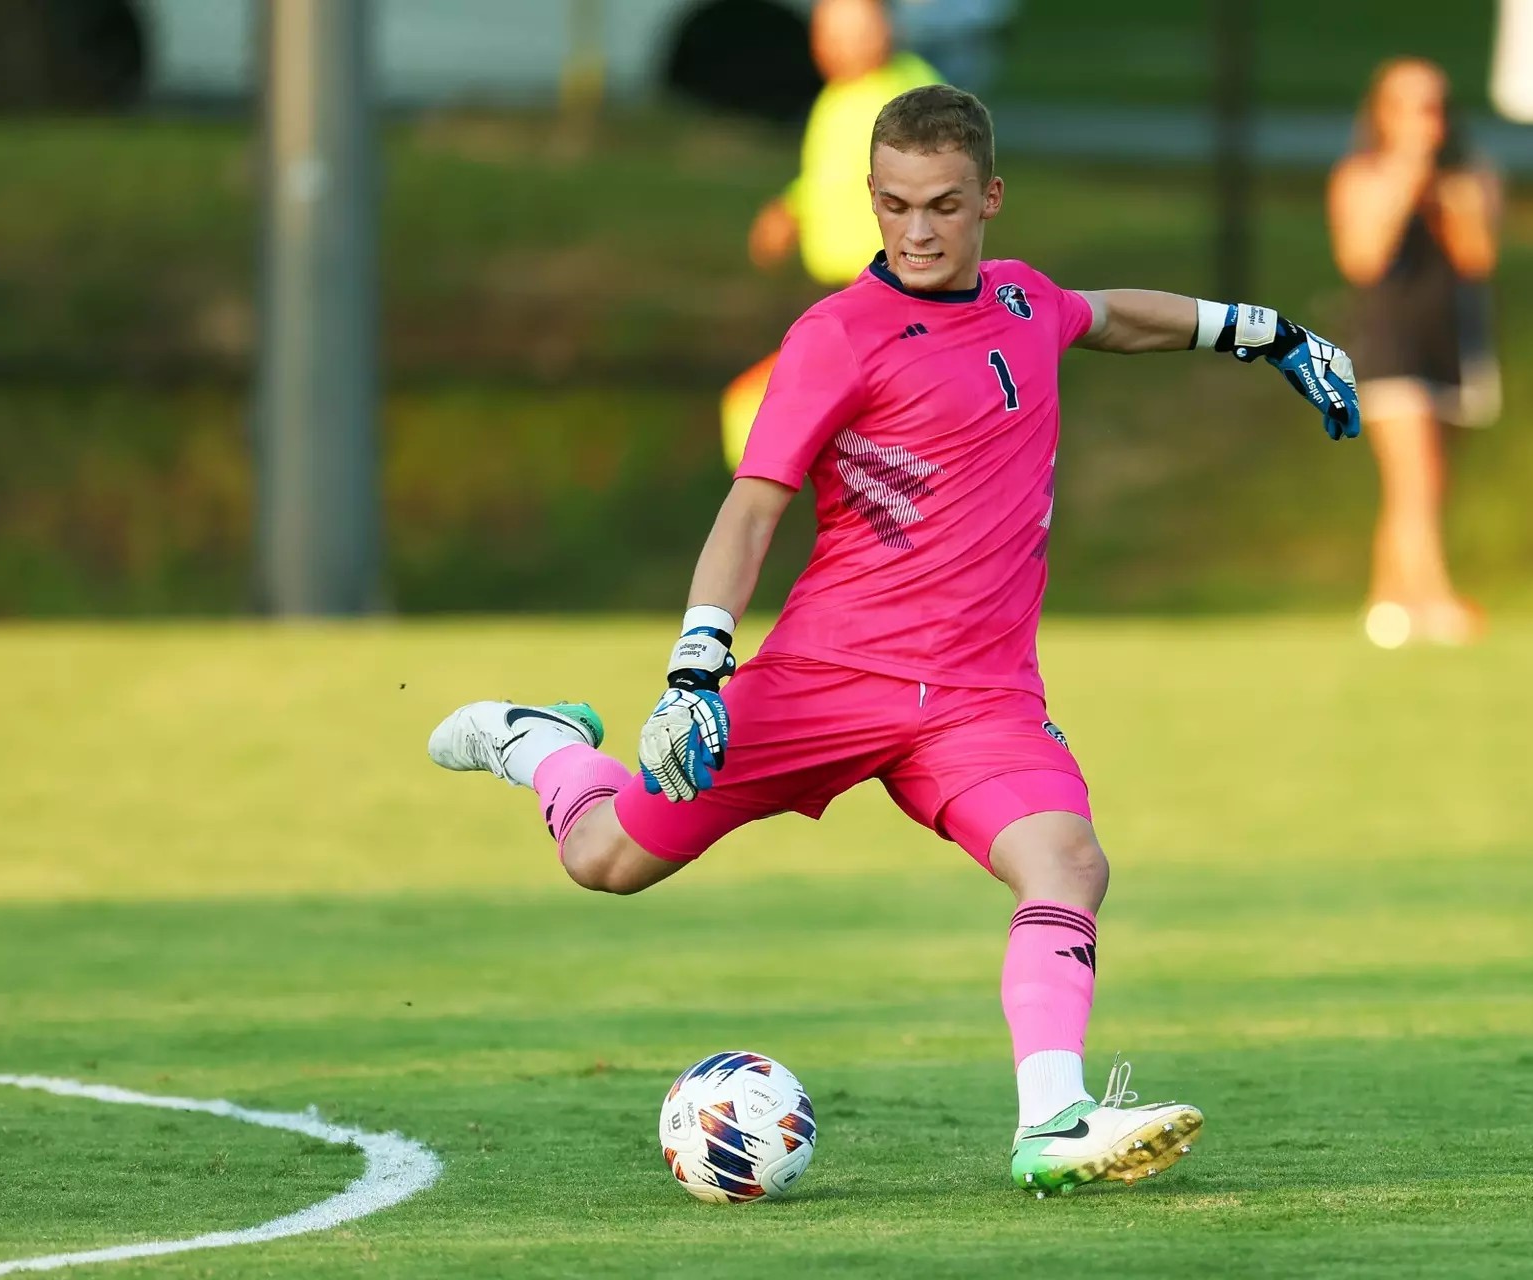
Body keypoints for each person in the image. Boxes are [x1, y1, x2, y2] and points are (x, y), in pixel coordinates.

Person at [429, 85, 1360, 1197]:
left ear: (990, 201)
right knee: (608, 860)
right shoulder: (834, 336)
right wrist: (697, 665)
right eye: (896, 205)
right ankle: (540, 745)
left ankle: (1053, 1118)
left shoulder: (1024, 302)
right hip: (828, 677)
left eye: (943, 206)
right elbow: (752, 506)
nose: (917, 231)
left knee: (1069, 861)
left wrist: (1264, 331)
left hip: (979, 699)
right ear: (872, 200)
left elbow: (1110, 314)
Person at [1328, 57, 1501, 648]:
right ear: (1384, 113)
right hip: (1388, 343)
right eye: (1410, 106)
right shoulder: (1360, 175)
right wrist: (1405, 172)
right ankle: (1437, 602)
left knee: (1426, 487)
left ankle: (1387, 605)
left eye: (1434, 106)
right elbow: (1363, 257)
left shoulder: (1468, 178)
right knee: (1413, 478)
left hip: (1450, 339)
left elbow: (1479, 258)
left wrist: (1453, 198)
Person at [723, 0, 940, 469]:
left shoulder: (911, 94)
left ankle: (777, 486)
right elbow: (830, 176)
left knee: (759, 403)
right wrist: (791, 208)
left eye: (858, 30)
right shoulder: (835, 99)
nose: (843, 46)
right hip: (838, 284)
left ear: (889, 27)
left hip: (885, 285)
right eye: (829, 35)